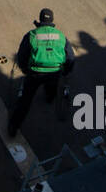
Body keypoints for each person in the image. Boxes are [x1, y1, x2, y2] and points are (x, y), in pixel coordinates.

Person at [7, 8, 76, 137]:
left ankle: (13, 127)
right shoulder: (61, 36)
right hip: (55, 72)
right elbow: (70, 57)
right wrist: (66, 71)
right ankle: (49, 98)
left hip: (35, 73)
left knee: (25, 101)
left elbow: (22, 56)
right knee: (51, 87)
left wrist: (26, 70)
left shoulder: (31, 35)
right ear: (52, 21)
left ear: (40, 20)